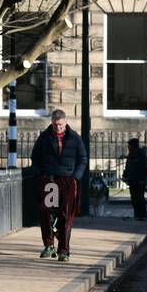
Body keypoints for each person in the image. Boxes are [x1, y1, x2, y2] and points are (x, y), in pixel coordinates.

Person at [30, 109, 87, 261]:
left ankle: (64, 250)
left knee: (65, 215)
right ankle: (49, 245)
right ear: (52, 123)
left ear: (65, 122)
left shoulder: (74, 138)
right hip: (50, 180)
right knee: (46, 212)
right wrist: (39, 174)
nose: (58, 128)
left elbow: (83, 159)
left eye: (60, 125)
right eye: (55, 125)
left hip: (67, 181)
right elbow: (34, 157)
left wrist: (75, 177)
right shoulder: (44, 137)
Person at [122, 137, 147, 220]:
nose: (128, 147)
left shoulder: (141, 155)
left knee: (140, 198)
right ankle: (137, 214)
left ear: (133, 146)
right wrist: (125, 176)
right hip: (132, 180)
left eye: (129, 145)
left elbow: (144, 169)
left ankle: (142, 215)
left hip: (139, 180)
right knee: (134, 199)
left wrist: (143, 179)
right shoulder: (130, 155)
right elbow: (127, 167)